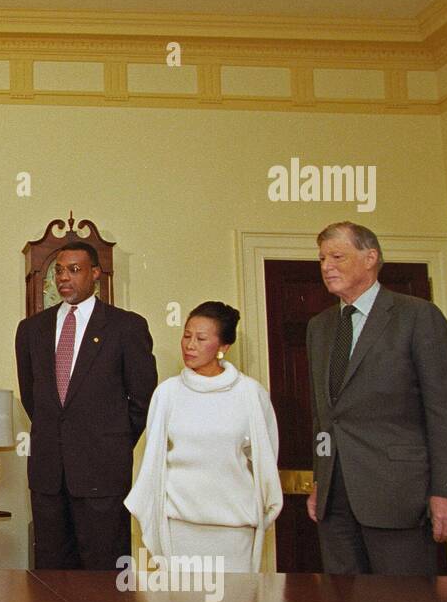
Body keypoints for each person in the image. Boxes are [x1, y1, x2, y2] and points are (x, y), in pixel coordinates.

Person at [306, 222, 447, 575]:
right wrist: (320, 480)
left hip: (399, 495)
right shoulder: (319, 328)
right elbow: (324, 417)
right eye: (321, 258)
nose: (326, 266)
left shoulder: (417, 316)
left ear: (370, 258)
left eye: (337, 256)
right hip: (335, 500)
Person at [15, 241, 157, 570]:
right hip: (49, 475)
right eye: (59, 271)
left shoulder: (126, 327)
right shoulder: (31, 330)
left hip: (102, 473)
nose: (64, 277)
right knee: (51, 577)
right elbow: (33, 398)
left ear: (95, 274)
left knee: (104, 575)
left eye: (74, 270)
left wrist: (111, 441)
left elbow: (143, 400)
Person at [124, 302, 282, 572]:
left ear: (223, 347)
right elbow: (153, 461)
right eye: (186, 335)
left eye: (201, 338)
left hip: (234, 531)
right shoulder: (167, 394)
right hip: (179, 528)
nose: (189, 345)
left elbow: (265, 460)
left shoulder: (250, 394)